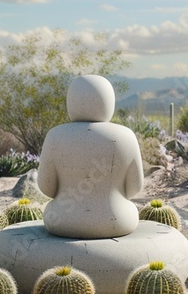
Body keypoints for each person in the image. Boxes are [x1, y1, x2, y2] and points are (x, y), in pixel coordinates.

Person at [38, 74, 143, 239]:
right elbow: (134, 188)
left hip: (62, 220)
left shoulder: (55, 136)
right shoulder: (126, 136)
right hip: (117, 220)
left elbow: (46, 187)